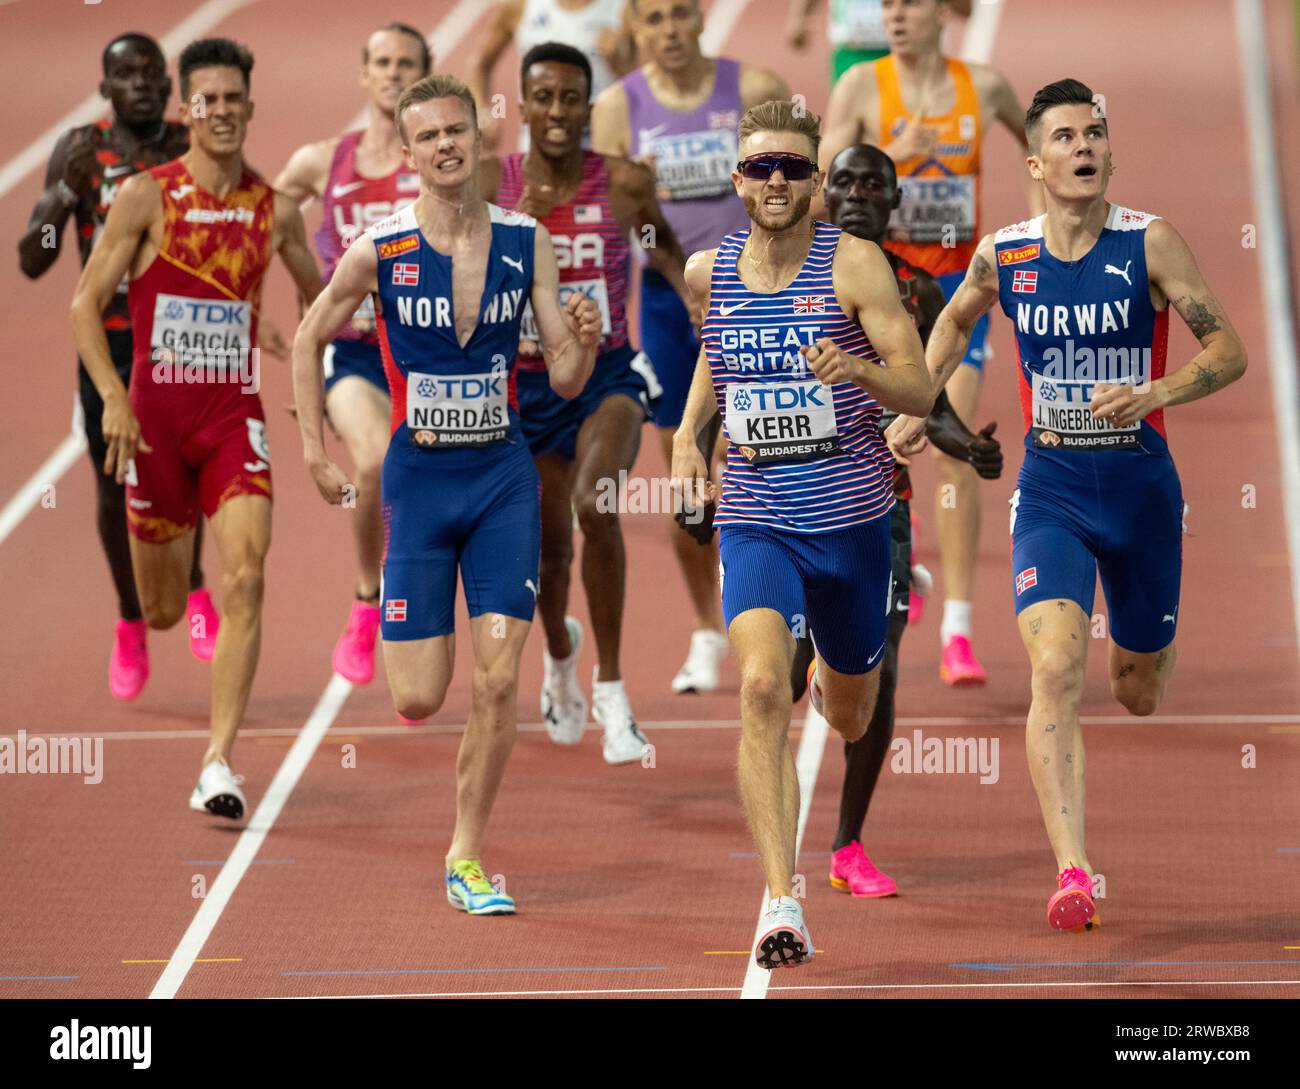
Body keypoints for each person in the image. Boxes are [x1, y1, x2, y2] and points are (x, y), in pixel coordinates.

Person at [887, 78, 1247, 929]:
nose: (1083, 149)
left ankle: (1150, 633)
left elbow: (1228, 349)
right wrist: (918, 401)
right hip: (1051, 490)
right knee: (1055, 668)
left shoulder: (1151, 244)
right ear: (1037, 162)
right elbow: (952, 320)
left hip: (1141, 491)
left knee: (1136, 690)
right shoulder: (1003, 254)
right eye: (1065, 138)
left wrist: (1156, 387)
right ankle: (1074, 869)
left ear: (1110, 153)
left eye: (1095, 135)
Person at [292, 74, 602, 915]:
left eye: (457, 131)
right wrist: (315, 451)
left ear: (478, 135)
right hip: (421, 484)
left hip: (503, 479)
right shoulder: (379, 247)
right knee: (418, 696)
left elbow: (567, 379)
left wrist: (581, 341)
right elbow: (308, 336)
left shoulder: (525, 239)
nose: (445, 146)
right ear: (409, 149)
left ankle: (466, 853)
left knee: (498, 681)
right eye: (427, 136)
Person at [672, 101, 933, 968]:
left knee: (852, 715)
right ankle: (782, 899)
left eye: (792, 167)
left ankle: (838, 662)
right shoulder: (711, 270)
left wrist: (855, 366)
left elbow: (921, 390)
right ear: (737, 179)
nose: (776, 181)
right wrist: (683, 437)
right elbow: (720, 351)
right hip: (756, 516)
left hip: (853, 523)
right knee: (757, 690)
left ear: (816, 179)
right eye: (759, 168)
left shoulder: (853, 265)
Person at [70, 38, 322, 820]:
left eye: (232, 98)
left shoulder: (275, 207)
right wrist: (113, 395)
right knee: (164, 612)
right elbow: (84, 305)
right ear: (188, 109)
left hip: (230, 419)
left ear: (250, 106)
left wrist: (306, 371)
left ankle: (218, 761)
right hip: (153, 428)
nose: (219, 111)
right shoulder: (147, 196)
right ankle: (176, 577)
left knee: (249, 574)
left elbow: (322, 301)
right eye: (204, 99)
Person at [821, 0, 1038, 686]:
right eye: (886, 5)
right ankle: (891, 556)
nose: (895, 15)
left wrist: (1044, 234)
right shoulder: (861, 86)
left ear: (943, 10)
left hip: (952, 298)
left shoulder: (987, 86)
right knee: (876, 442)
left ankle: (959, 630)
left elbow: (1043, 152)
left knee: (954, 446)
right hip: (876, 293)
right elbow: (824, 176)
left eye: (910, 3)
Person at [482, 43, 689, 762]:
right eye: (543, 97)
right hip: (528, 388)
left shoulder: (624, 183)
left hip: (607, 378)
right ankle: (561, 655)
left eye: (573, 98)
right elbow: (466, 288)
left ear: (589, 105)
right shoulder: (491, 184)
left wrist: (703, 300)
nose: (558, 112)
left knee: (598, 505)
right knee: (548, 547)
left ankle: (613, 688)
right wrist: (514, 226)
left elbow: (662, 250)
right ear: (523, 102)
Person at [804, 143, 1001, 897]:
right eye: (843, 182)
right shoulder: (784, 274)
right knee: (787, 668)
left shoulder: (915, 291)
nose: (856, 195)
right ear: (826, 193)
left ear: (893, 203)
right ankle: (813, 672)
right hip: (787, 506)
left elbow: (934, 409)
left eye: (872, 185)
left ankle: (847, 845)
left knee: (878, 677)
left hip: (878, 507)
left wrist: (968, 448)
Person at [592, 0, 789, 694]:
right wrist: (676, 275)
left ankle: (764, 612)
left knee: (761, 455)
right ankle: (708, 626)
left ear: (702, 17)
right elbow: (620, 227)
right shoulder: (617, 108)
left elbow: (798, 187)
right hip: (670, 307)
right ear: (635, 31)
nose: (669, 30)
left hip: (760, 296)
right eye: (653, 19)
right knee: (688, 471)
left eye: (680, 14)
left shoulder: (757, 87)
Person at [20, 33, 214, 702]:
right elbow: (34, 257)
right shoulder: (79, 150)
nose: (140, 84)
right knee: (113, 482)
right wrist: (55, 204)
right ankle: (130, 620)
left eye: (150, 73)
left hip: (185, 341)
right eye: (124, 75)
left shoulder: (190, 144)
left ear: (167, 83)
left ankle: (192, 587)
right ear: (104, 88)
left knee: (191, 469)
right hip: (110, 345)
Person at [275, 23, 430, 690]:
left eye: (407, 63)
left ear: (425, 74)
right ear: (364, 74)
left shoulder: (439, 154)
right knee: (372, 460)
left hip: (432, 354)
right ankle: (368, 600)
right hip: (357, 354)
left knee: (428, 494)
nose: (393, 72)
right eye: (383, 62)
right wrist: (314, 291)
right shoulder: (323, 161)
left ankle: (415, 630)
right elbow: (273, 216)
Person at [468, 0, 635, 151]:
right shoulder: (520, 5)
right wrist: (483, 113)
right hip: (536, 146)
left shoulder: (624, 8)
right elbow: (480, 65)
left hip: (600, 144)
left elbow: (651, 83)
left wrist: (622, 66)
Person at [784, 0, 970, 85]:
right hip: (855, 53)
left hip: (918, 54)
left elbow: (967, 9)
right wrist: (799, 16)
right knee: (854, 135)